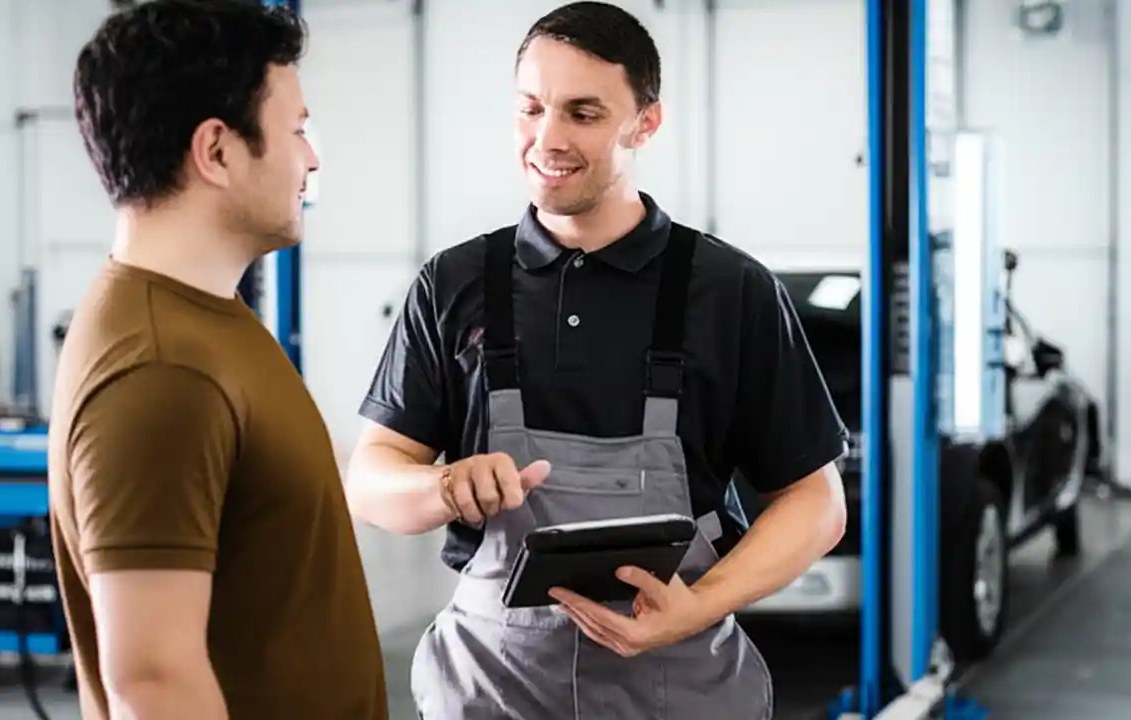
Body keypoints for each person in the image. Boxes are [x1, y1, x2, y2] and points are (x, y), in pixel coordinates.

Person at [348, 1, 847, 717]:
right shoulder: (452, 284)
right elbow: (369, 479)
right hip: (491, 691)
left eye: (582, 113)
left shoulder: (731, 291)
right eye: (530, 109)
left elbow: (817, 503)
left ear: (645, 122)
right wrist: (442, 487)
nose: (545, 139)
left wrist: (695, 604)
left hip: (678, 690)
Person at [47, 1, 387, 718]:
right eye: (296, 130)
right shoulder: (161, 369)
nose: (312, 157)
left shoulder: (200, 318)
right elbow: (153, 680)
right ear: (217, 150)